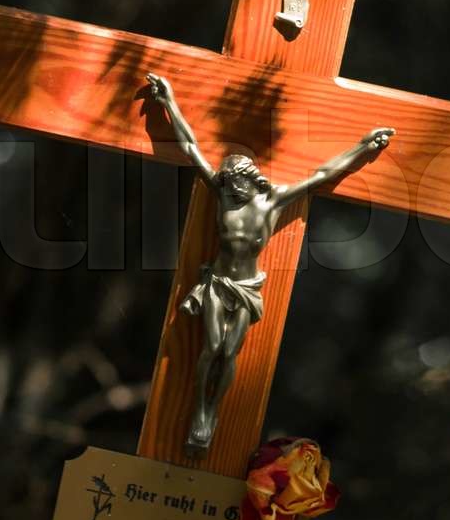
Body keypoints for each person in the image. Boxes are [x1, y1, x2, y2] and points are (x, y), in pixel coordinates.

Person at [145, 72, 395, 453]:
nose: (230, 188)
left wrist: (363, 146)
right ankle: (200, 413)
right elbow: (191, 148)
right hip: (218, 283)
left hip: (247, 287)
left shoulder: (272, 200)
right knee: (210, 347)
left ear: (250, 180)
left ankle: (213, 409)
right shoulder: (223, 194)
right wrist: (168, 102)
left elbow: (322, 174)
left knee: (230, 352)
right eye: (226, 183)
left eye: (235, 182)